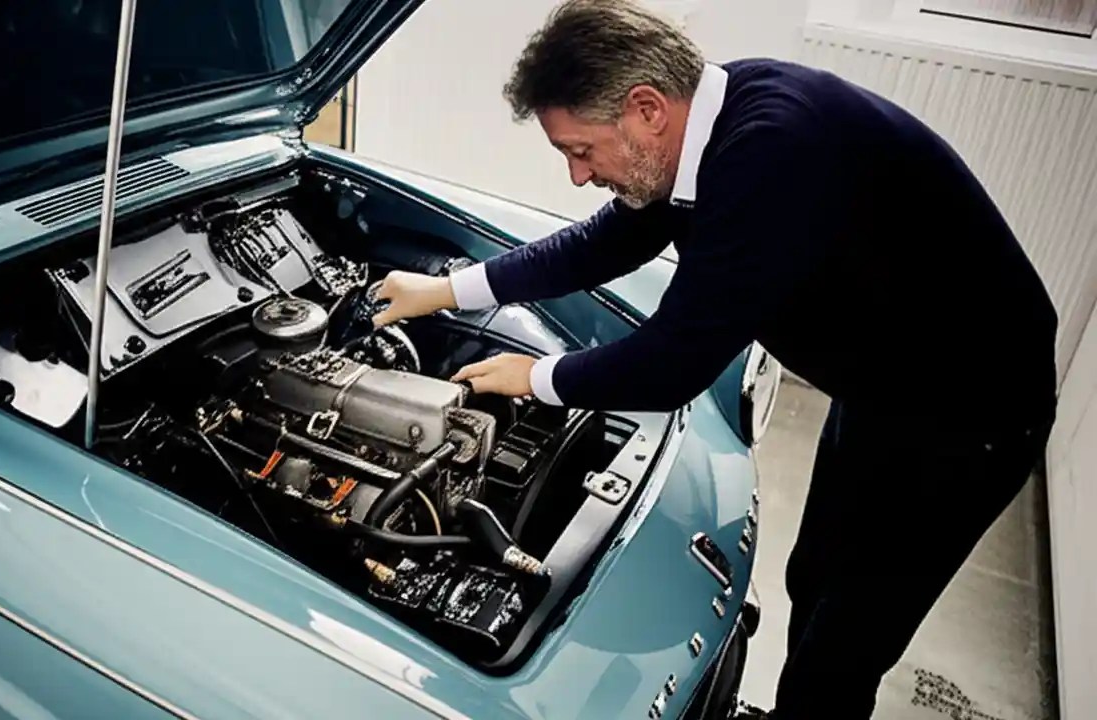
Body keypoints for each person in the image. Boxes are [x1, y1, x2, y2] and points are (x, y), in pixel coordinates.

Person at [369, 0, 1059, 718]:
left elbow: (674, 363)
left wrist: (537, 379)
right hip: (887, 380)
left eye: (581, 150)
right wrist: (448, 289)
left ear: (645, 109)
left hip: (968, 409)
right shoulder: (711, 122)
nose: (579, 175)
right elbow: (599, 244)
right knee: (813, 572)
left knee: (847, 639)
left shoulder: (771, 152)